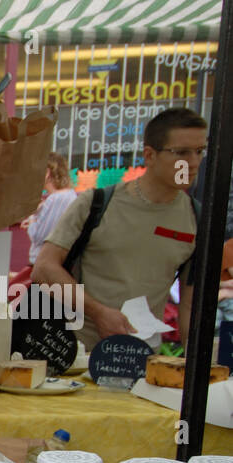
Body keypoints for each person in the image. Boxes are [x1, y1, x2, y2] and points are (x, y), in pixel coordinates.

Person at [32, 107, 206, 350]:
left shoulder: (197, 218)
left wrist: (195, 370)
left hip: (143, 364)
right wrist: (98, 312)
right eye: (182, 153)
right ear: (149, 155)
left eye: (199, 151)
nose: (194, 163)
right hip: (77, 359)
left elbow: (189, 305)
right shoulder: (97, 203)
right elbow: (44, 269)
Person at [22, 152, 78, 265]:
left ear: (47, 173)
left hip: (44, 265)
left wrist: (32, 217)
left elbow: (37, 236)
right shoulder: (68, 196)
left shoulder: (55, 199)